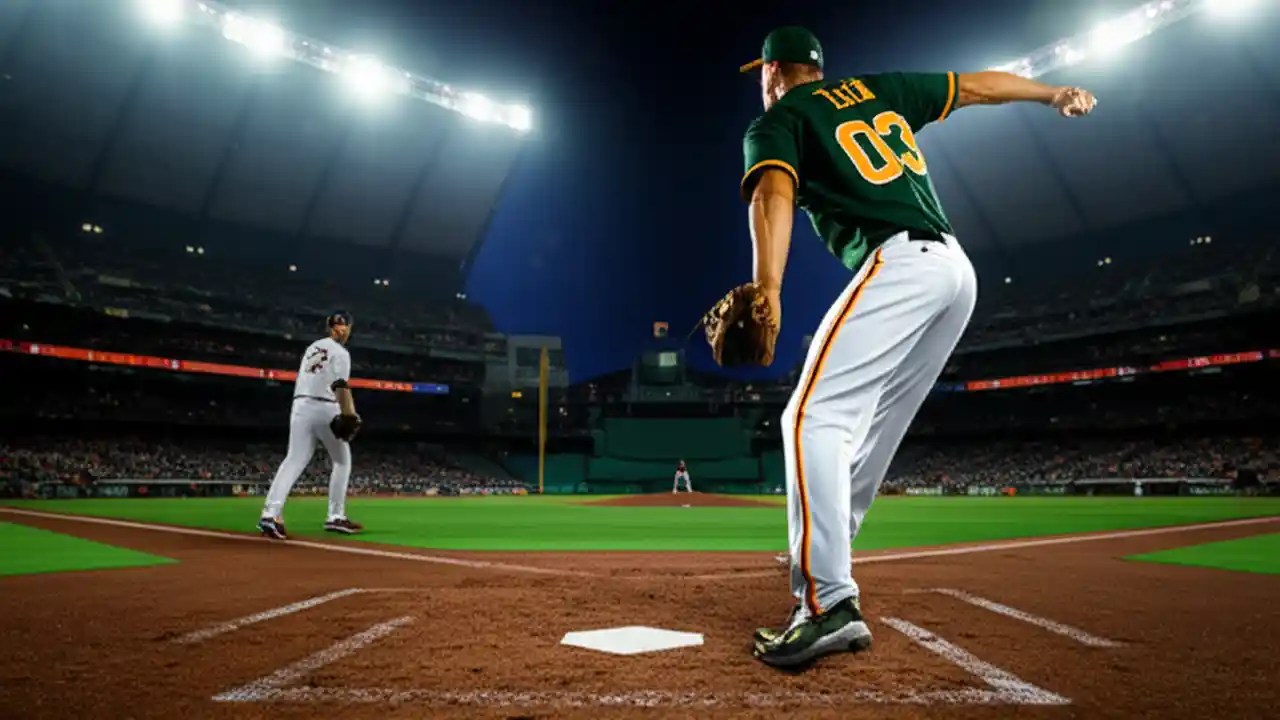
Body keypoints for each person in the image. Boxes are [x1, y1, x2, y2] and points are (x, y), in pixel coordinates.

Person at [737, 27, 1096, 669]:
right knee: (870, 431)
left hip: (900, 263)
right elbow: (981, 86)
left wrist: (769, 285)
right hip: (956, 273)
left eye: (761, 76)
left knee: (810, 417)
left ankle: (826, 604)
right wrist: (1051, 94)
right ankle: (825, 571)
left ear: (771, 74)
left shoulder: (780, 119)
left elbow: (772, 193)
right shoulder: (881, 89)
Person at [258, 311, 364, 539]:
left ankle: (270, 513)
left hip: (300, 406)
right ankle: (335, 516)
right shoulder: (341, 353)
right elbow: (340, 385)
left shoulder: (313, 347)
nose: (342, 330)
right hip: (324, 407)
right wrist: (349, 414)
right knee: (342, 461)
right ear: (346, 329)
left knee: (293, 460)